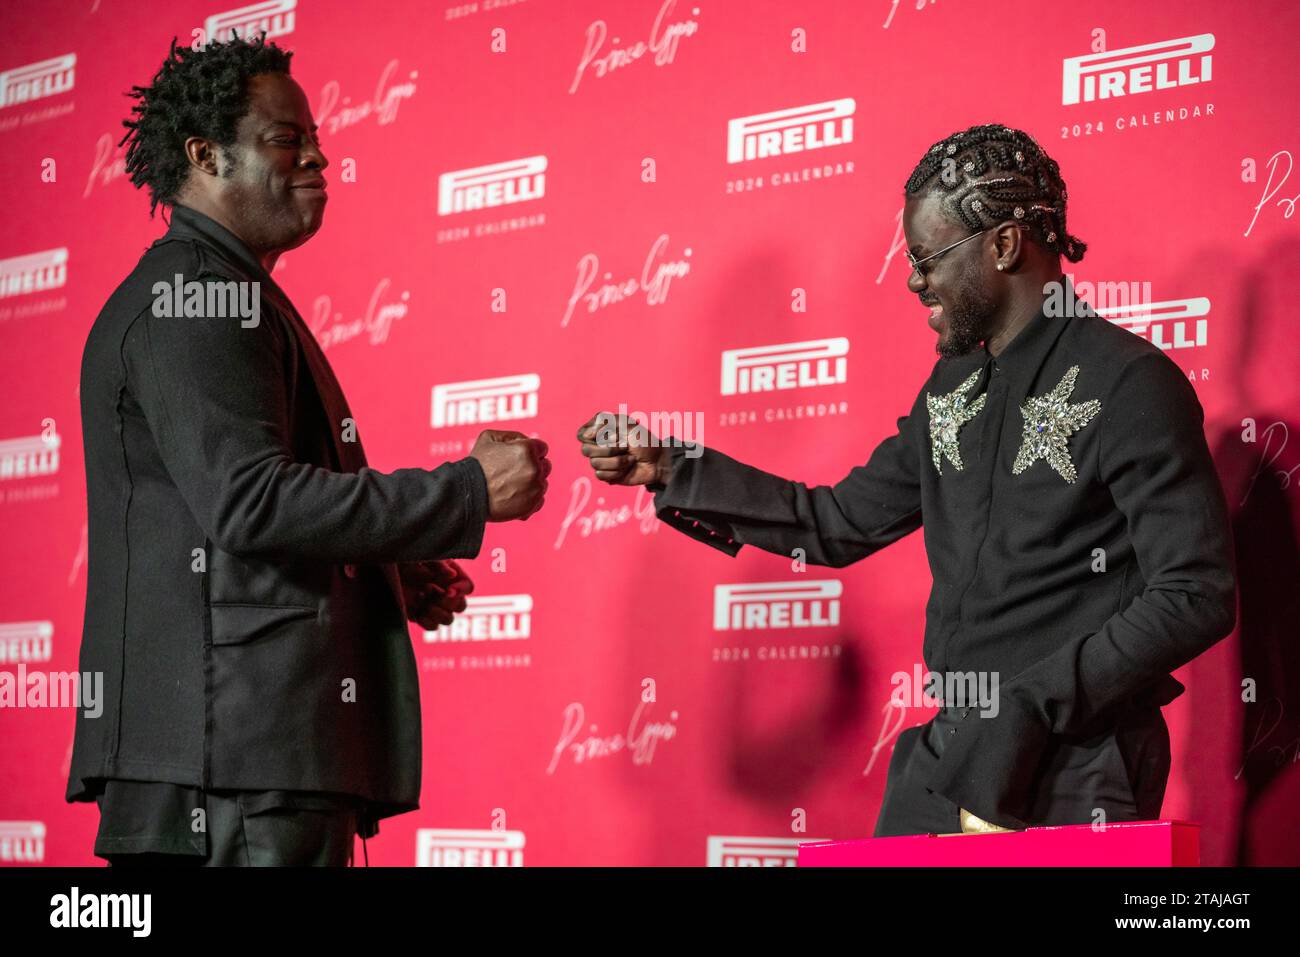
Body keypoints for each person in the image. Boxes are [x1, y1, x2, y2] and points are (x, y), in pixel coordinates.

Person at [576, 123, 1237, 837]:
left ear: (1005, 245)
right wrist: (675, 468)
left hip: (1079, 764)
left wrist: (1030, 704)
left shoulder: (1132, 382)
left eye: (929, 258)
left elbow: (1197, 592)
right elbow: (832, 522)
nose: (915, 279)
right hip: (945, 755)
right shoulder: (951, 386)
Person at [71, 33, 550, 866]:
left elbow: (221, 520)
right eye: (286, 139)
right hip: (232, 769)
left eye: (316, 138)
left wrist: (387, 565)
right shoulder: (199, 295)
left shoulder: (224, 290)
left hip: (242, 762)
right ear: (206, 156)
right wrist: (467, 492)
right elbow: (250, 500)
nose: (319, 158)